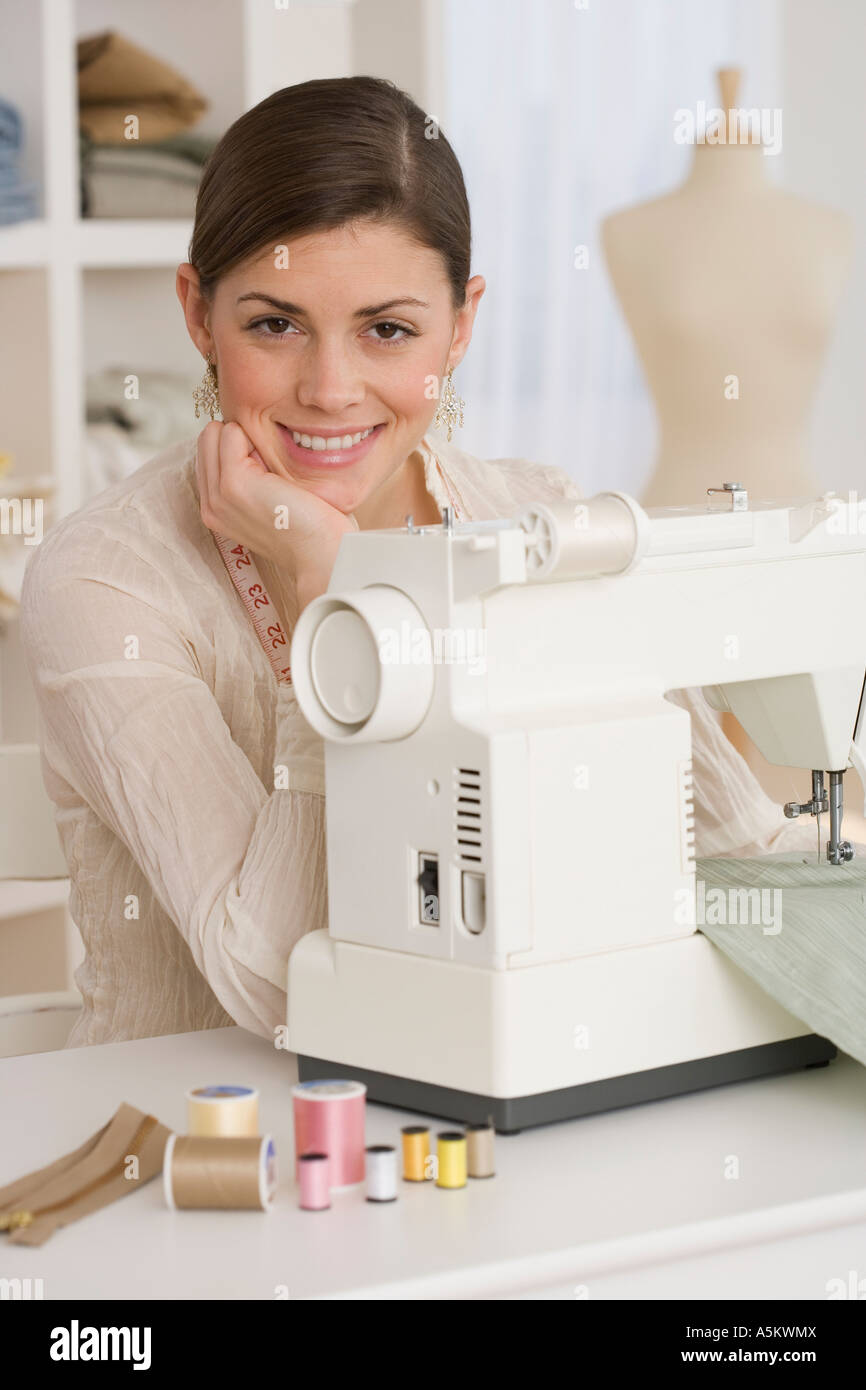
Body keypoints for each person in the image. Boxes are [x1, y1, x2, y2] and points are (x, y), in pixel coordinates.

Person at [19, 76, 815, 1048]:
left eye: (387, 330)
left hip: (485, 1120)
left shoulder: (538, 520)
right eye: (273, 324)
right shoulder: (109, 582)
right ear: (197, 313)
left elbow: (741, 847)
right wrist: (333, 598)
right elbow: (276, 989)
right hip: (196, 1147)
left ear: (461, 324)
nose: (328, 388)